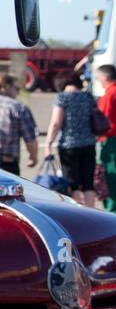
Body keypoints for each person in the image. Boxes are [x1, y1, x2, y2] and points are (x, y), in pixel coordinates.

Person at [46, 73, 99, 207]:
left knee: (73, 184)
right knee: (88, 184)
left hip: (68, 145)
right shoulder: (88, 97)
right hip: (88, 144)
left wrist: (48, 143)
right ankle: (90, 214)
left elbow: (56, 123)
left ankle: (78, 215)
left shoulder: (62, 97)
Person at [0, 72, 37, 176]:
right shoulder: (18, 107)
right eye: (17, 88)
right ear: (6, 87)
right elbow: (30, 140)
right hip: (7, 161)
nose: (18, 93)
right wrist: (33, 156)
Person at [96, 64, 116, 211]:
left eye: (99, 78)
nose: (98, 82)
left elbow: (103, 122)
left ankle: (112, 212)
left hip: (111, 142)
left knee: (110, 179)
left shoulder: (109, 95)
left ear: (105, 77)